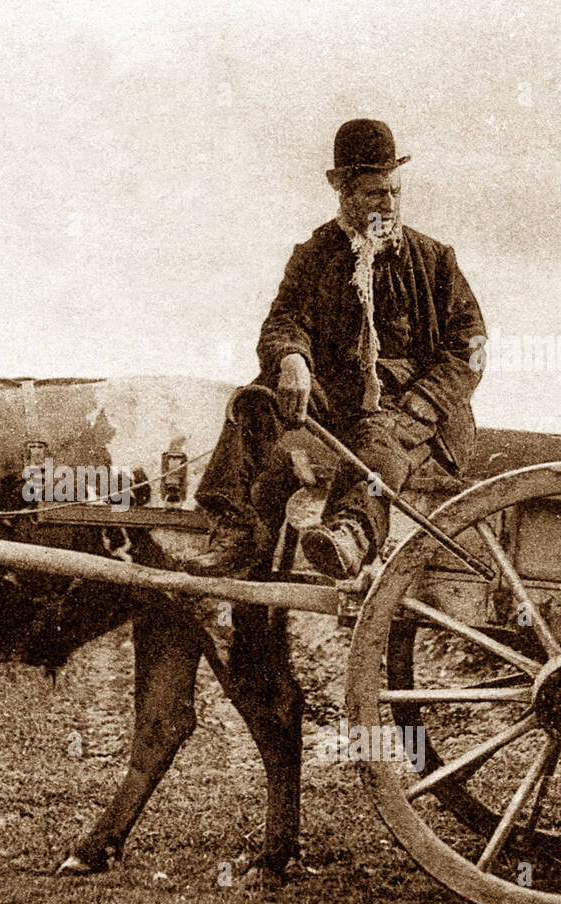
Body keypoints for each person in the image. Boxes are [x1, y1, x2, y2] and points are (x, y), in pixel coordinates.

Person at [185, 119, 486, 581]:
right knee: (254, 402)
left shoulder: (434, 259)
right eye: (373, 194)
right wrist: (291, 359)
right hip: (335, 399)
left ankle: (349, 532)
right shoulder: (315, 254)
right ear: (343, 192)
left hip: (413, 409)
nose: (388, 205)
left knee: (377, 440)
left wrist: (425, 402)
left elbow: (469, 345)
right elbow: (283, 320)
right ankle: (237, 531)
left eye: (394, 192)